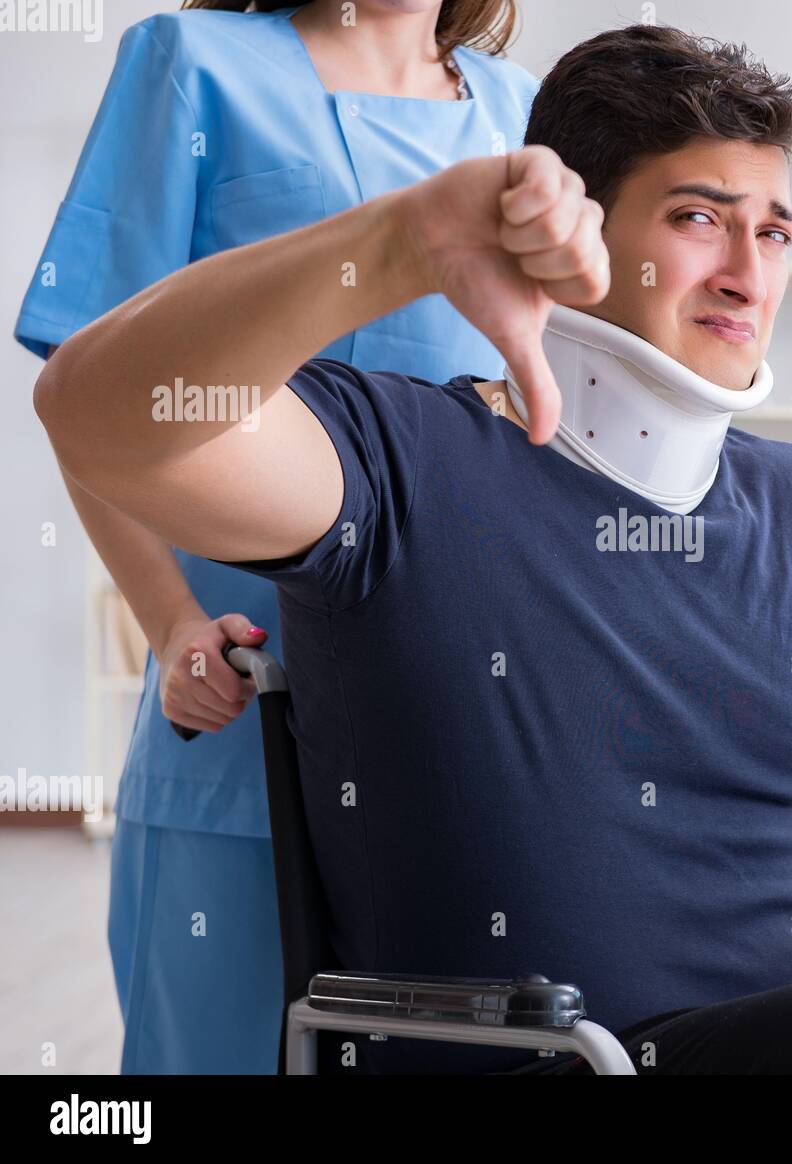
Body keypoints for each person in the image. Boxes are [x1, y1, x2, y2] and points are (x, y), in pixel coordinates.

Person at [33, 24, 792, 1076]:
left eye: (777, 231)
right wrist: (402, 245)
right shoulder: (396, 459)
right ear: (569, 236)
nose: (749, 271)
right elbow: (91, 409)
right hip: (556, 1057)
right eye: (700, 219)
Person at [14, 0, 538, 1073]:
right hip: (246, 705)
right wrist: (173, 627)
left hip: (464, 733)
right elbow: (95, 397)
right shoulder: (191, 63)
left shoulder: (523, 113)